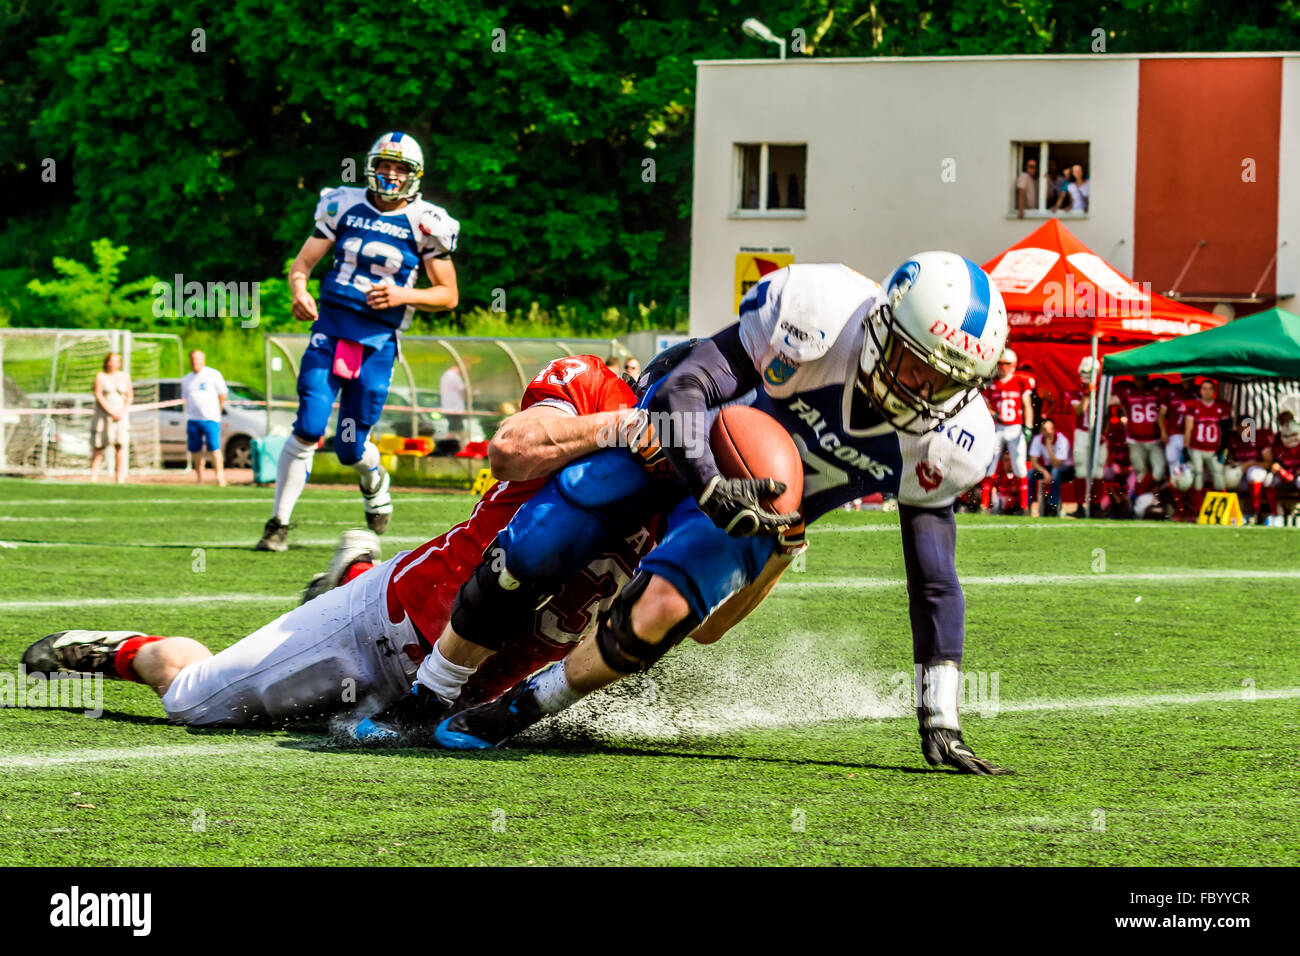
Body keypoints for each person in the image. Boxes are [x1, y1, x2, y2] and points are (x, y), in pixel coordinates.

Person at [396, 253, 1014, 774]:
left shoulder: (949, 442)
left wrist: (940, 713)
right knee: (546, 537)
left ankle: (521, 710)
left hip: (761, 511)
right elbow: (683, 389)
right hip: (686, 439)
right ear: (884, 324)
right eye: (914, 363)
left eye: (944, 380)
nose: (922, 389)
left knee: (660, 613)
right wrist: (709, 479)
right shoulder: (820, 310)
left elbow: (933, 577)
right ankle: (431, 691)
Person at [21, 355, 653, 731]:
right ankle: (129, 652)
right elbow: (510, 451)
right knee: (196, 702)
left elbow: (703, 623)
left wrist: (755, 530)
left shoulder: (705, 505)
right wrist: (619, 426)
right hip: (386, 626)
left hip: (467, 700)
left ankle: (351, 568)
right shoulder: (600, 390)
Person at [257, 132, 460, 552]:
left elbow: (448, 295)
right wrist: (299, 291)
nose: (390, 174)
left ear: (413, 176)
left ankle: (375, 480)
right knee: (310, 426)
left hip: (377, 341)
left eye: (399, 167)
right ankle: (278, 523)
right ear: (371, 165)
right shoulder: (343, 203)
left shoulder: (427, 222)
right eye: (384, 165)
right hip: (329, 330)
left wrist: (406, 295)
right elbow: (303, 265)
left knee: (350, 447)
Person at [980, 348, 1033, 514]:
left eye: (1006, 364)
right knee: (990, 463)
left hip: (1015, 427)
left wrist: (1028, 426)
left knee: (1019, 465)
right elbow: (984, 406)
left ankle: (1024, 506)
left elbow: (1027, 404)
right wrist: (994, 414)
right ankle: (984, 504)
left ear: (1013, 365)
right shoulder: (991, 382)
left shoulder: (1021, 380)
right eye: (1000, 363)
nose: (1002, 367)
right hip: (998, 428)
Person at [1110, 374, 1168, 499]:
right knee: (1140, 472)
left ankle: (1140, 493)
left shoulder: (1156, 389)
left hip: (1154, 439)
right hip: (1135, 440)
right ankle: (1142, 500)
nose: (1139, 382)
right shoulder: (1127, 391)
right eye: (1137, 378)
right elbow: (1109, 401)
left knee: (1158, 471)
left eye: (1142, 378)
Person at [1184, 378, 1231, 515]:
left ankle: (1220, 510)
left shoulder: (1221, 406)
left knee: (1218, 477)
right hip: (1196, 447)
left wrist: (1223, 448)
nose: (1207, 392)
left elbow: (1225, 430)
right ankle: (1197, 510)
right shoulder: (1193, 405)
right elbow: (1188, 429)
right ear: (1200, 391)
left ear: (1214, 391)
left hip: (1214, 448)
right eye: (1204, 389)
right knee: (1197, 476)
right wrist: (1185, 448)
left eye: (1210, 389)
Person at [180, 350, 228, 485]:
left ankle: (219, 477)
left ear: (203, 360)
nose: (196, 361)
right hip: (193, 419)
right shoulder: (186, 379)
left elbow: (222, 393)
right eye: (193, 359)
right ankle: (199, 478)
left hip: (210, 418)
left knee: (214, 447)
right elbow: (185, 398)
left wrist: (218, 410)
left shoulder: (213, 374)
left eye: (198, 359)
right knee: (195, 449)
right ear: (190, 360)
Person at [1065, 356, 1105, 516]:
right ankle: (1081, 504)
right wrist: (1088, 395)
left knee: (1098, 470)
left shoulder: (1104, 389)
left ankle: (1096, 505)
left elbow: (1109, 410)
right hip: (1082, 431)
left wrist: (1104, 430)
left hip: (1098, 431)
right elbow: (1080, 411)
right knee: (1081, 468)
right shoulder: (1076, 390)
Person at [90, 352, 132, 484]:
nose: (114, 363)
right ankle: (93, 476)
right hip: (103, 416)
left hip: (120, 416)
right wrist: (110, 411)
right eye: (111, 361)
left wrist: (122, 411)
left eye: (116, 361)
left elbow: (130, 395)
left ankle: (119, 476)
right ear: (107, 362)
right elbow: (98, 394)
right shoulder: (101, 376)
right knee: (98, 446)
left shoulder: (125, 377)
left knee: (120, 446)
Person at [1028, 418, 1073, 516]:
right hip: (1049, 468)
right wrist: (1044, 471)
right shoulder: (1037, 439)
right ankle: (1027, 504)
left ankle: (1052, 506)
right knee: (1030, 473)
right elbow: (1033, 462)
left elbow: (1057, 464)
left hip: (1067, 469)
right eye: (1045, 429)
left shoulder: (1062, 440)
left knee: (1056, 472)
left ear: (1054, 430)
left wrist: (1049, 447)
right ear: (1041, 431)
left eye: (1050, 429)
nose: (1048, 432)